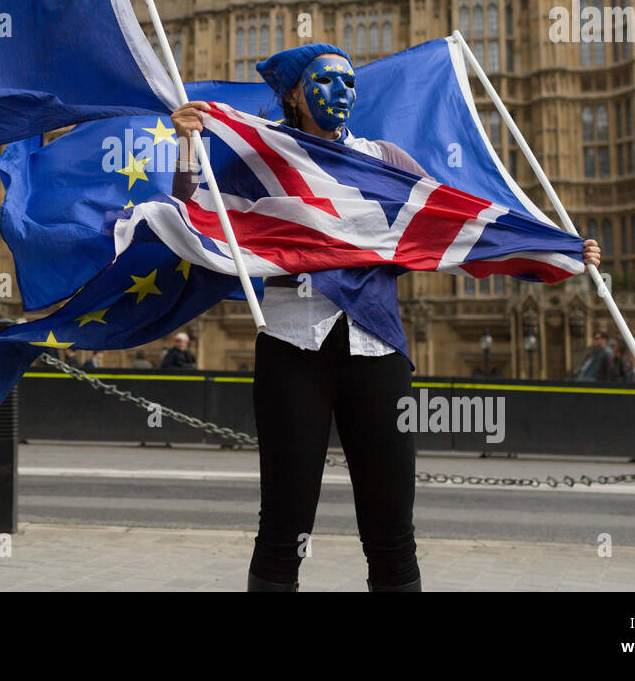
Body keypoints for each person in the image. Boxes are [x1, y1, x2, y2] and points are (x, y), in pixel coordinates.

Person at [171, 41, 604, 591]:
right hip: (290, 347)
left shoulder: (387, 163)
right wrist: (188, 144)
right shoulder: (266, 158)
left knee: (391, 530)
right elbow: (196, 220)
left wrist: (554, 249)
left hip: (376, 350)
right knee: (282, 527)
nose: (342, 93)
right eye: (326, 82)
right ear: (296, 96)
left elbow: (458, 229)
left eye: (350, 83)